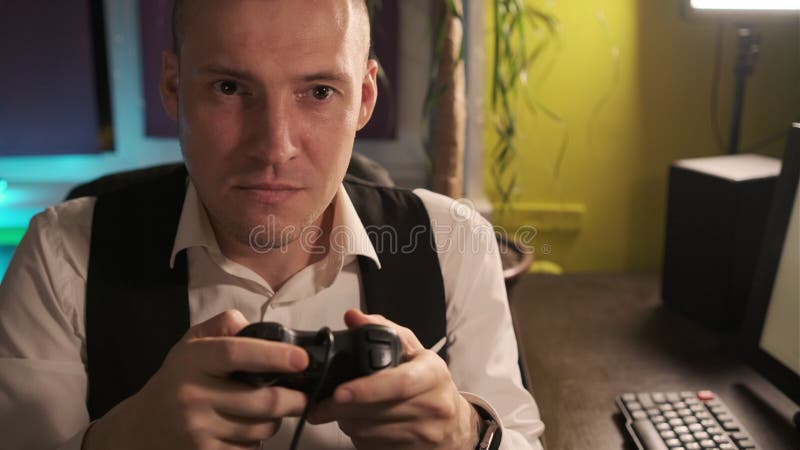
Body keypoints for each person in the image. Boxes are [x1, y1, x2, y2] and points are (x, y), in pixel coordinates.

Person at [0, 0, 545, 449]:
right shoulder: (60, 255)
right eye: (230, 89)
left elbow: (521, 437)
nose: (274, 147)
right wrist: (120, 441)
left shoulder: (457, 245)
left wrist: (467, 433)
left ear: (364, 99)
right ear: (173, 87)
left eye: (319, 92)